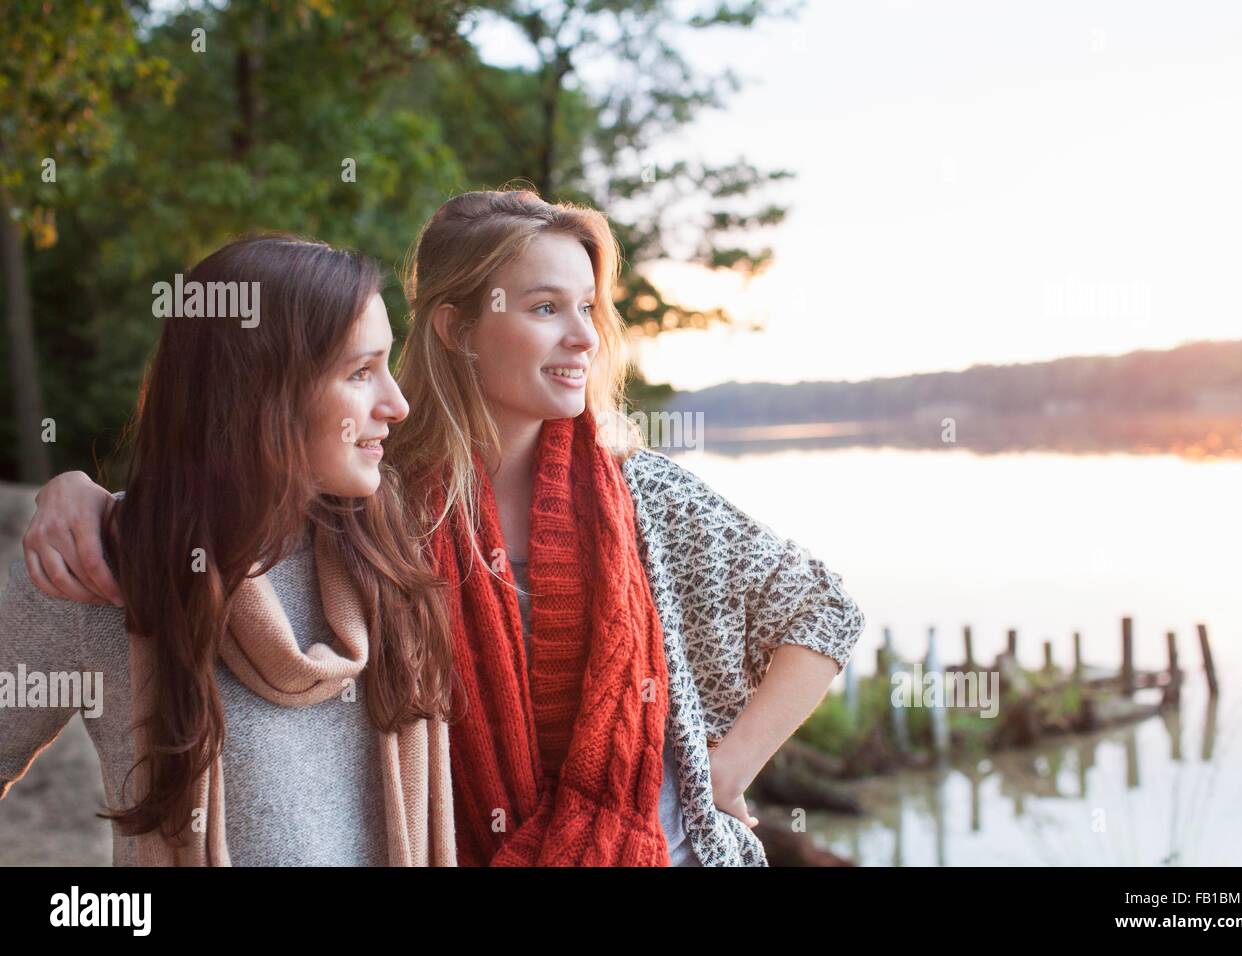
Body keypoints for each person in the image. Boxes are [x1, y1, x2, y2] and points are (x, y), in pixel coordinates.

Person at [22, 189, 866, 866]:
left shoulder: (640, 496)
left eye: (587, 308)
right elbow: (236, 487)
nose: (583, 336)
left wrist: (726, 767)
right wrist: (92, 500)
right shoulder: (372, 503)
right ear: (457, 328)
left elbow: (822, 609)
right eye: (545, 307)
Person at [2, 234, 457, 866]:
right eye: (360, 372)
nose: (397, 404)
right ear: (260, 392)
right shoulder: (99, 573)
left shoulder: (400, 551)